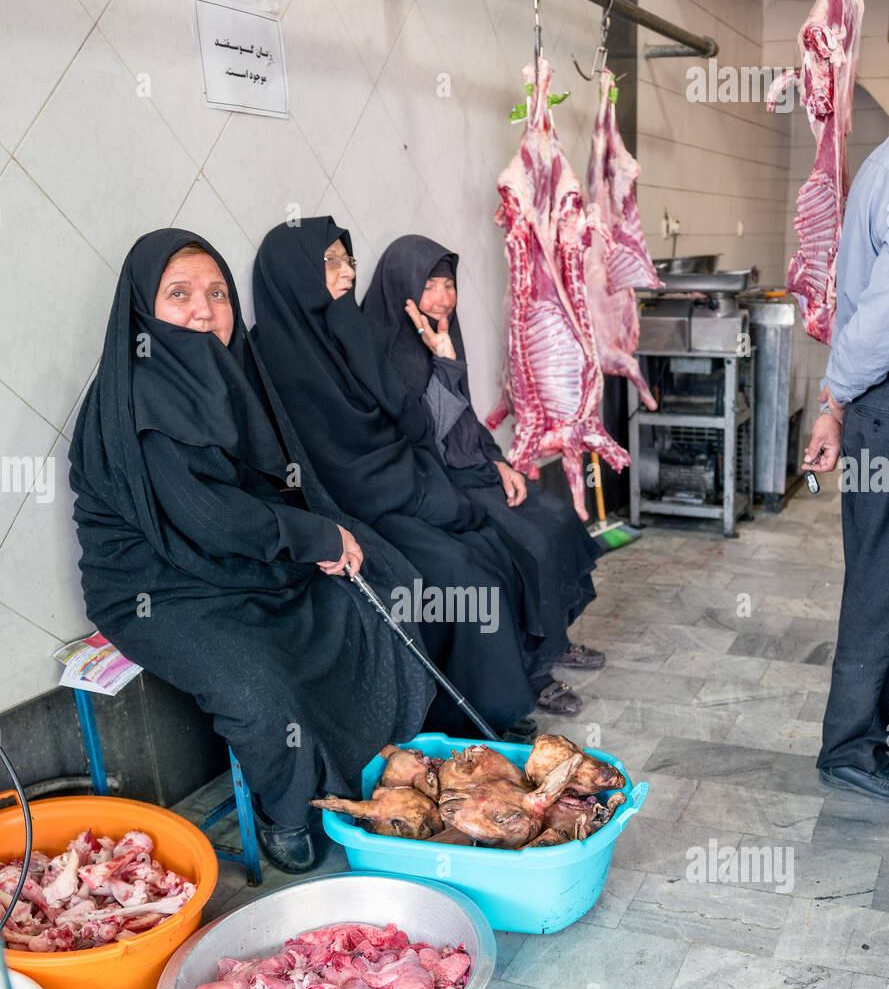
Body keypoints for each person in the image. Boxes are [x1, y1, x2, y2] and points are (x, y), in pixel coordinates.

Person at [68, 228, 434, 872]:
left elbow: (270, 484)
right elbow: (206, 514)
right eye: (178, 294)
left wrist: (325, 536)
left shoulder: (231, 372)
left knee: (375, 589)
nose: (204, 310)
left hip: (241, 561)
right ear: (141, 310)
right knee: (258, 685)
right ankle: (285, 811)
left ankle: (378, 768)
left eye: (217, 293)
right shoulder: (142, 392)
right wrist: (314, 536)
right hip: (156, 584)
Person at [250, 217, 541, 739]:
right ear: (296, 272)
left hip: (399, 487)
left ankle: (497, 708)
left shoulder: (342, 332)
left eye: (348, 260)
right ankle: (473, 722)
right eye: (331, 262)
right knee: (463, 579)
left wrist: (348, 327)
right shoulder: (271, 354)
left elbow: (406, 419)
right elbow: (327, 460)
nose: (346, 272)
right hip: (351, 508)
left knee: (485, 553)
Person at [361, 234, 606, 715]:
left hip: (474, 468)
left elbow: (467, 416)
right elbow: (425, 429)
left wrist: (499, 462)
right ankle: (536, 673)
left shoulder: (438, 333)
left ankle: (554, 640)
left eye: (448, 285)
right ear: (401, 288)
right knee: (527, 546)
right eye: (428, 286)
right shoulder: (380, 352)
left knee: (559, 519)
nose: (442, 298)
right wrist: (444, 358)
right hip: (437, 481)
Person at [805, 134, 889, 800]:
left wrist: (835, 406)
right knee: (875, 576)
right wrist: (832, 396)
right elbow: (879, 322)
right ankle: (849, 748)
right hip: (880, 402)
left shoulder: (878, 161)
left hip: (870, 403)